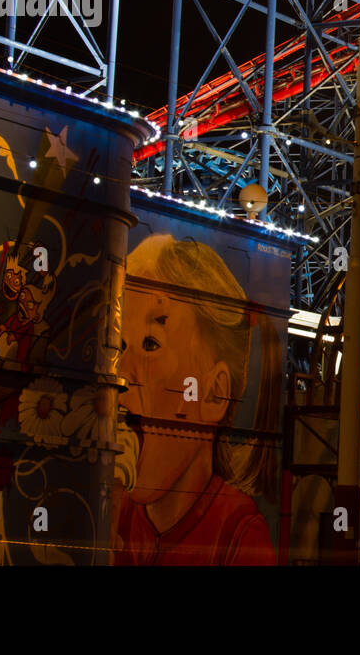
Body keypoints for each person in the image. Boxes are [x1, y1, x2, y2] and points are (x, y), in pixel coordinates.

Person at [113, 235, 276, 565]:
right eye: (118, 346)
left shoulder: (240, 534)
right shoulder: (115, 513)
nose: (120, 374)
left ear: (215, 394)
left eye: (149, 345)